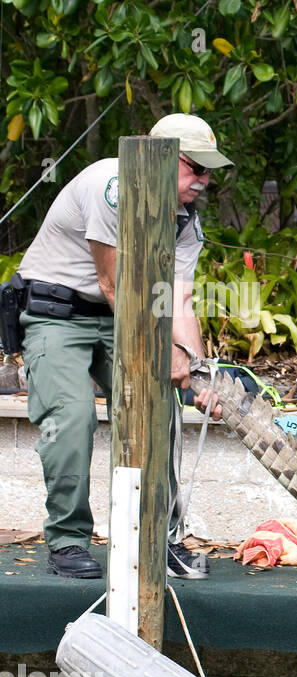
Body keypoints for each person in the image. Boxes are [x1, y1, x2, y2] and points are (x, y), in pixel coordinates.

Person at [15, 113, 228, 579]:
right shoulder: (109, 185)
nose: (205, 181)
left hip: (123, 316)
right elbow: (115, 284)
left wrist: (199, 371)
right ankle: (68, 541)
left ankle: (157, 539)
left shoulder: (185, 220)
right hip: (59, 313)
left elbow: (179, 298)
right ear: (160, 158)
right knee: (72, 416)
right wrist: (166, 354)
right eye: (196, 168)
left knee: (158, 406)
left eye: (210, 171)